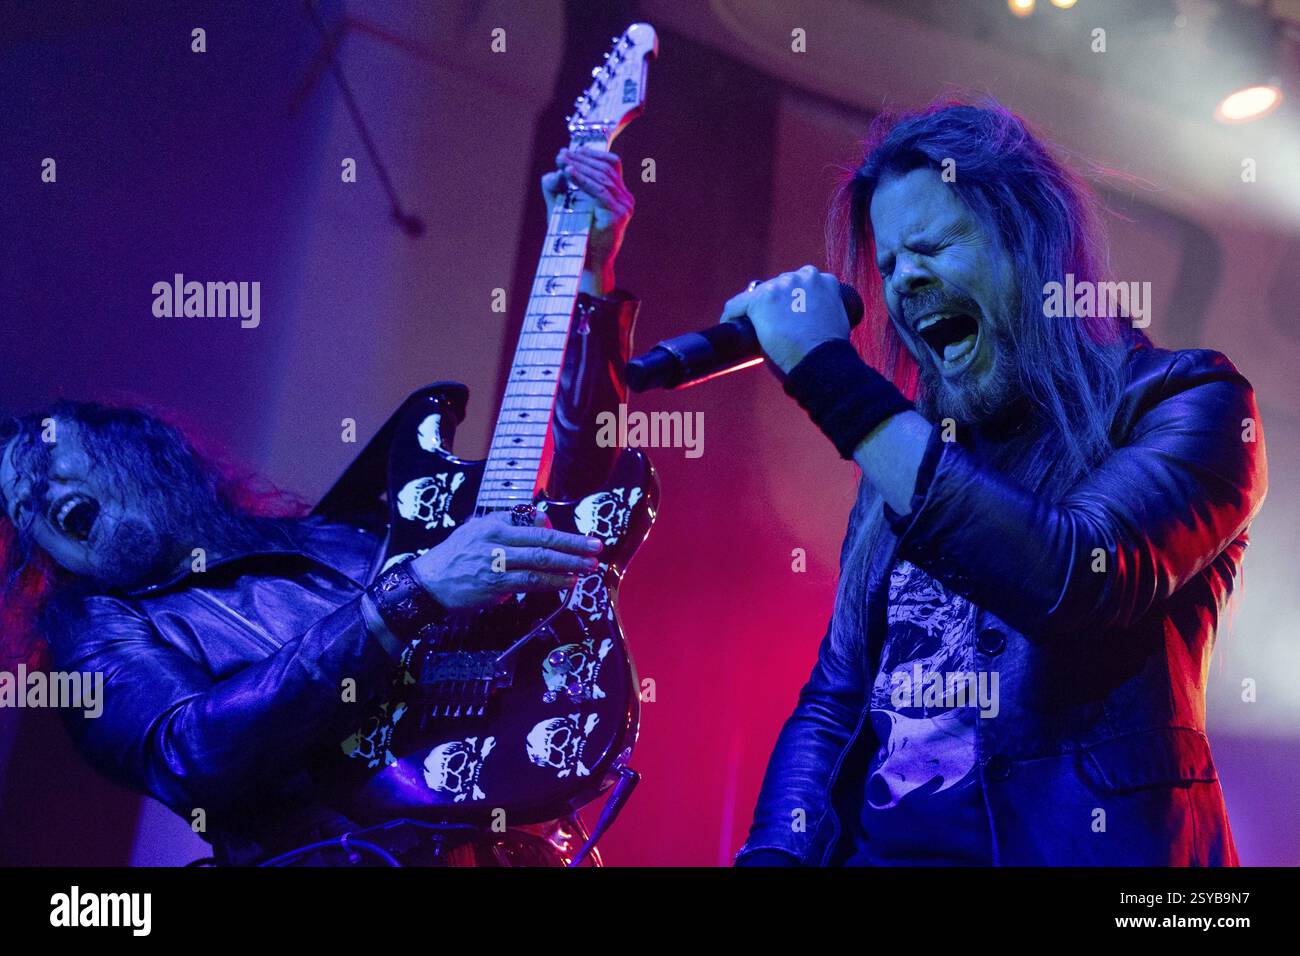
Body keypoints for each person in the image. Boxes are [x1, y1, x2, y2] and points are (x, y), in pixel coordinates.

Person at [0, 146, 641, 866]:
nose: (38, 499)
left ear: (137, 458)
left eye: (45, 466)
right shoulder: (99, 631)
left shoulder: (336, 535)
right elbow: (193, 754)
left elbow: (571, 503)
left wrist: (588, 271)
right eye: (21, 507)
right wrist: (409, 597)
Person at [731, 100, 1266, 866]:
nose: (904, 280)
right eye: (886, 265)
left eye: (935, 246)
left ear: (1032, 244)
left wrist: (829, 377)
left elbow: (1074, 577)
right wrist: (772, 857)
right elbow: (838, 700)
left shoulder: (1190, 404)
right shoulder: (905, 458)